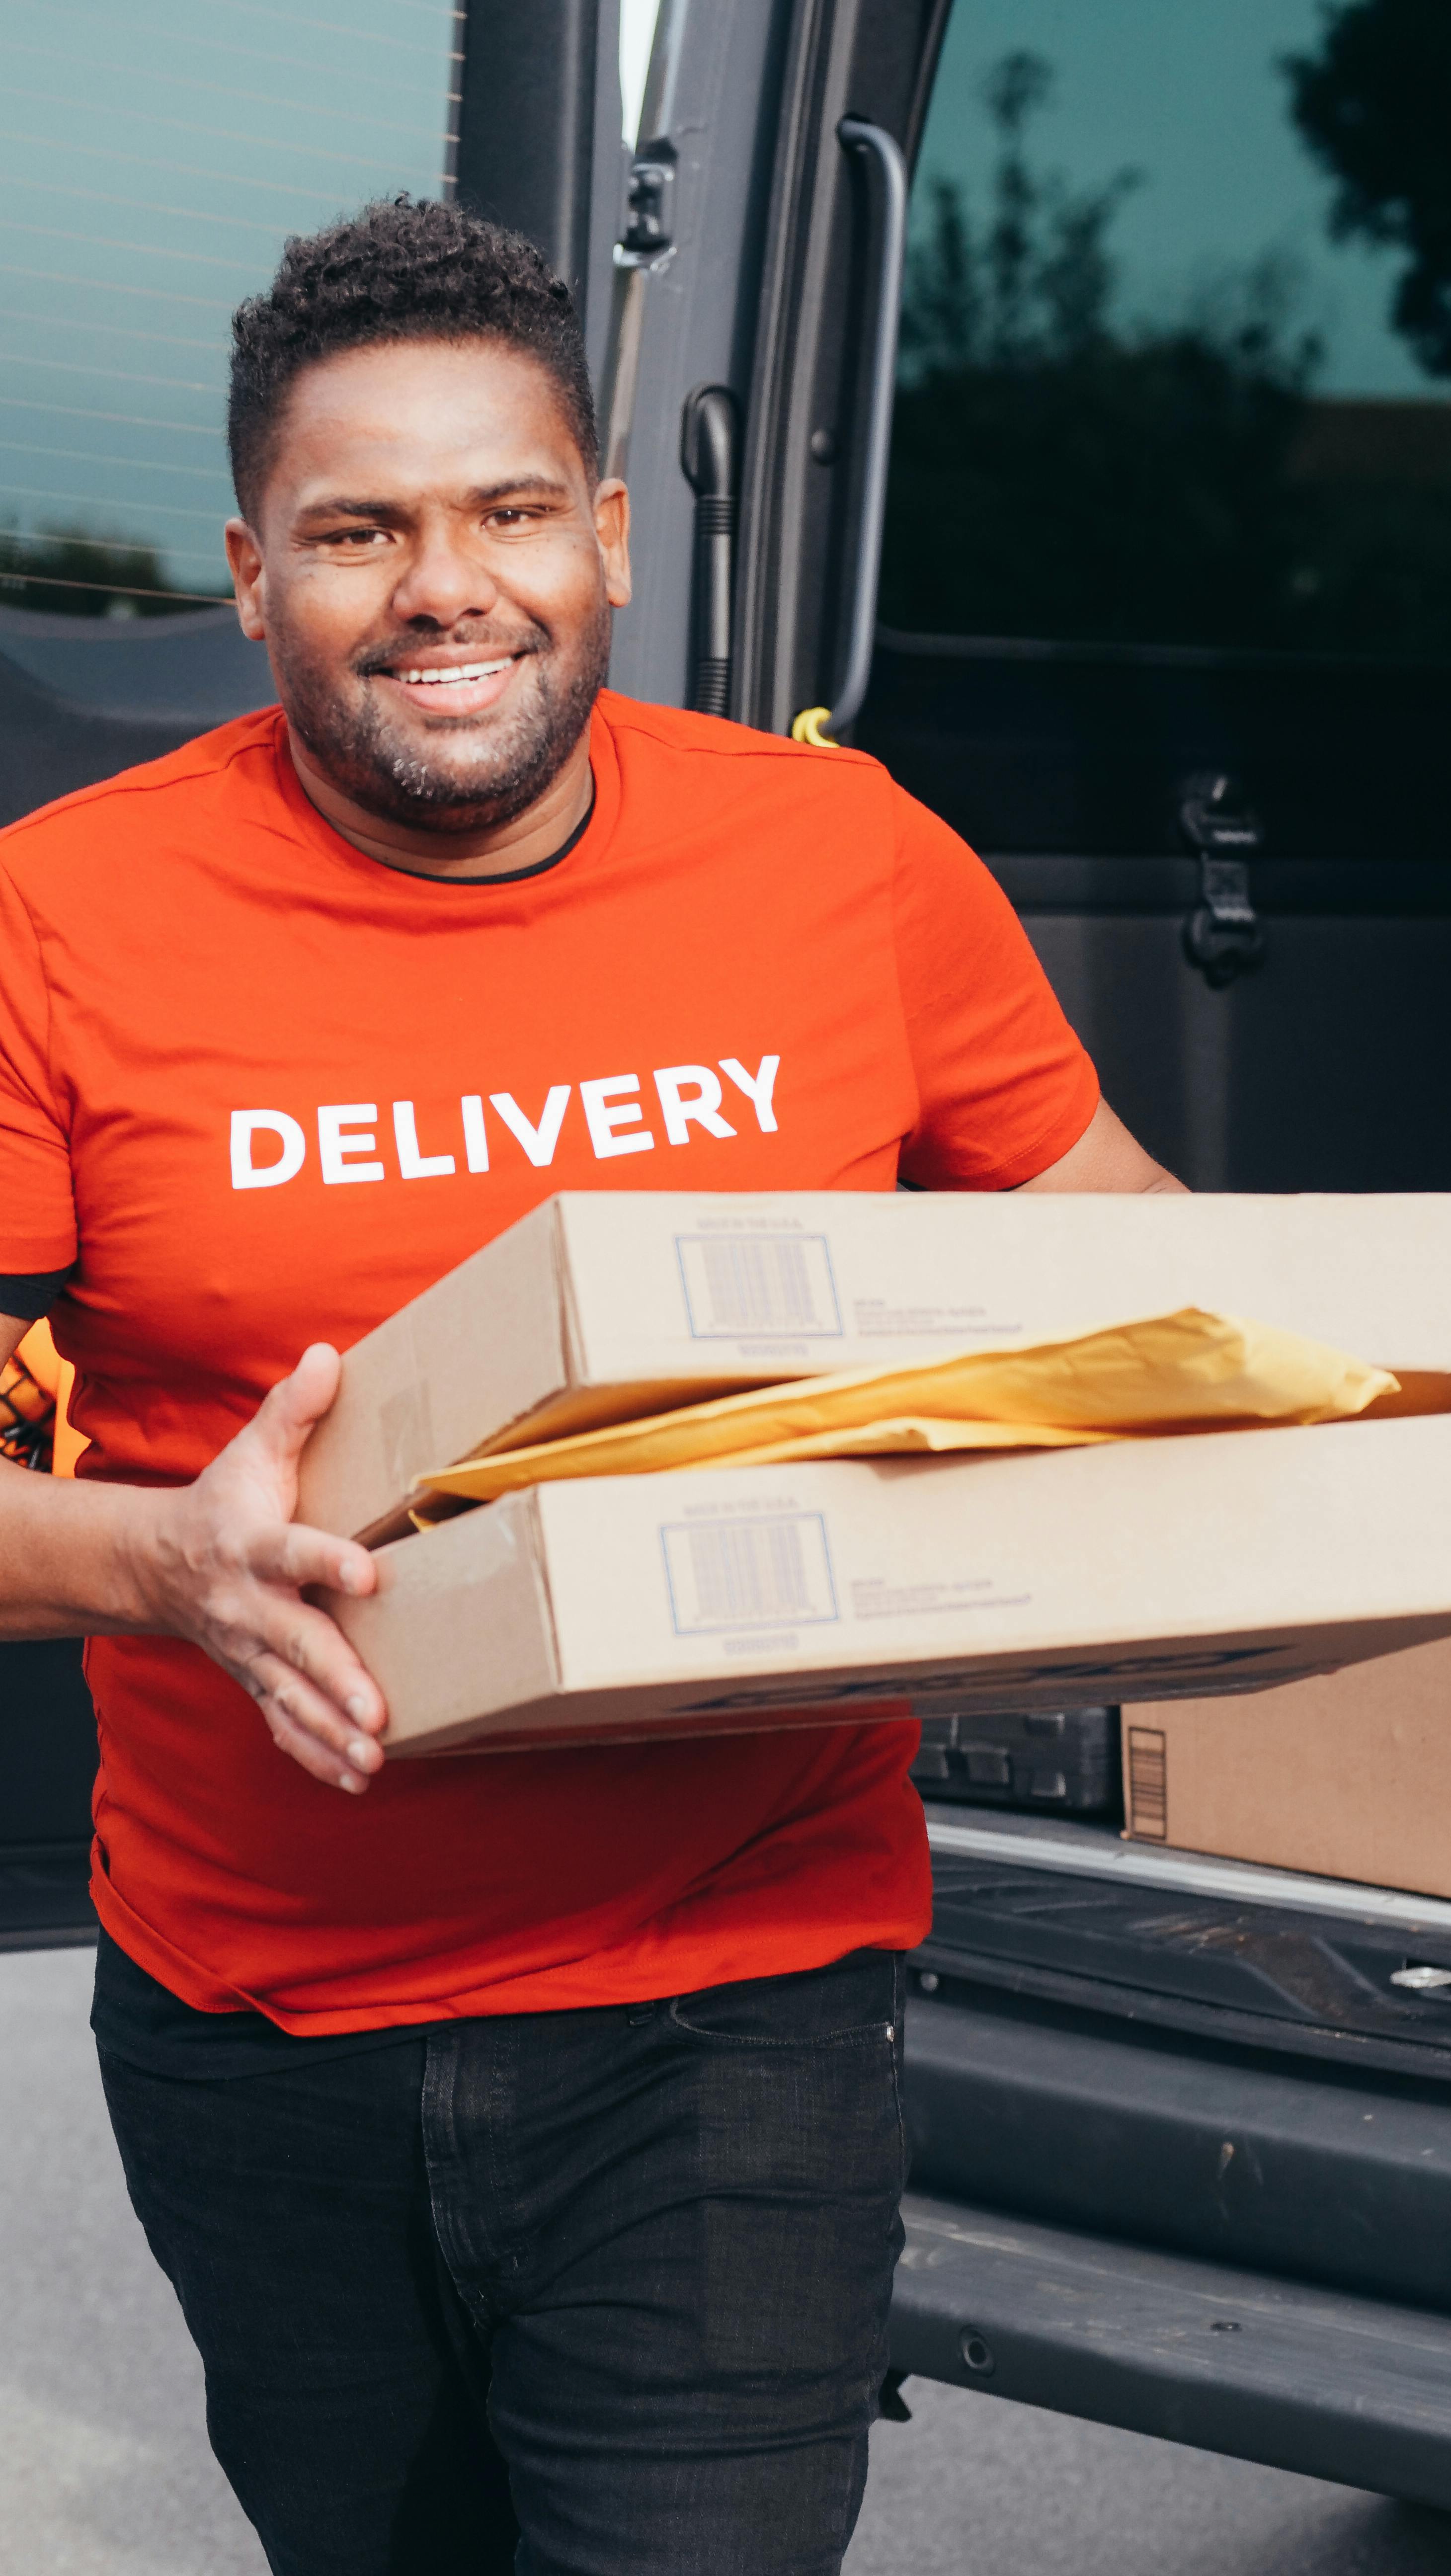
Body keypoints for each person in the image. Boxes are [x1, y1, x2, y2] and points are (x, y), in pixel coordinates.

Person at [0, 198, 1180, 2576]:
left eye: (510, 509)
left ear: (607, 537)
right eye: (359, 529)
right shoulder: (61, 918)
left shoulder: (836, 858)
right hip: (260, 2014)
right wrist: (162, 1561)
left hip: (734, 1982)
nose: (449, 584)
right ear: (251, 577)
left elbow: (1141, 1280)